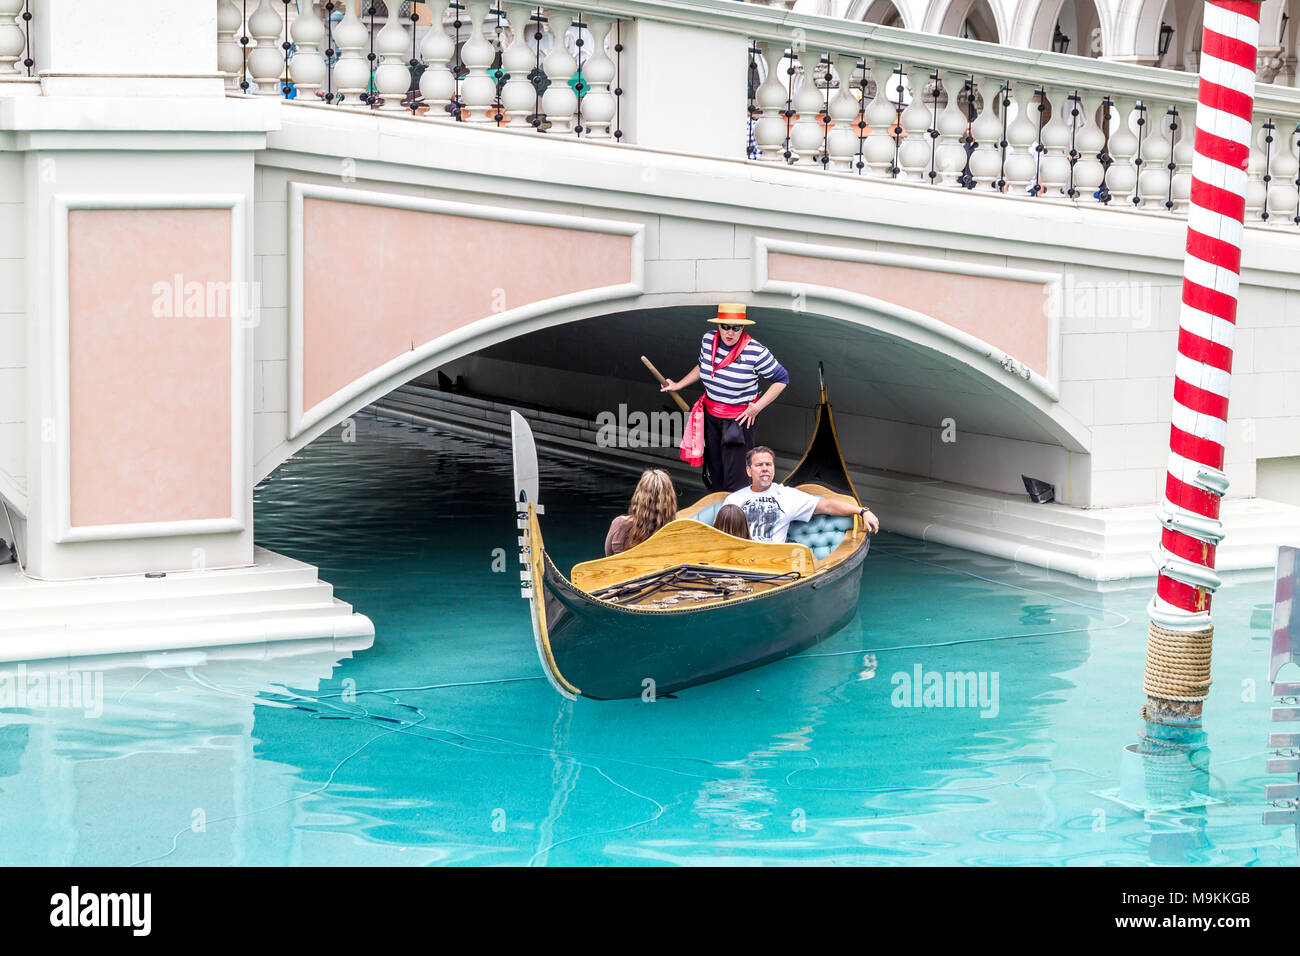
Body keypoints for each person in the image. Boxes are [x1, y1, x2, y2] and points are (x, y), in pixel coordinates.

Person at [661, 304, 789, 493]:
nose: (730, 332)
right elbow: (702, 365)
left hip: (739, 420)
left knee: (736, 476)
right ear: (718, 325)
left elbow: (782, 379)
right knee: (715, 470)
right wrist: (679, 384)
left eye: (735, 328)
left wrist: (757, 407)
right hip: (711, 417)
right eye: (725, 326)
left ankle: (735, 516)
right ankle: (720, 509)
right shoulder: (707, 340)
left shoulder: (756, 351)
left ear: (742, 328)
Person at [724, 446, 880, 544]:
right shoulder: (734, 500)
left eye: (769, 464)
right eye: (759, 465)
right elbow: (721, 537)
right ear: (749, 471)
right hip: (739, 560)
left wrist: (862, 511)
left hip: (772, 562)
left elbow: (826, 505)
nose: (765, 469)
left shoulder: (787, 495)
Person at [605, 469, 677, 556]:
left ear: (639, 496)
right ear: (670, 500)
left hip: (624, 569)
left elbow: (608, 556)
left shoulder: (620, 524)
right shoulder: (675, 531)